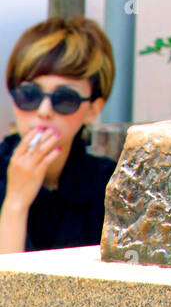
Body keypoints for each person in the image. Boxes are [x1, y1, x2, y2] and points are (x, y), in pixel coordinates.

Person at [0, 16, 116, 253]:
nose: (43, 111)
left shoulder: (110, 186)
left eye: (64, 99)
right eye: (29, 95)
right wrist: (15, 202)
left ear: (93, 109)